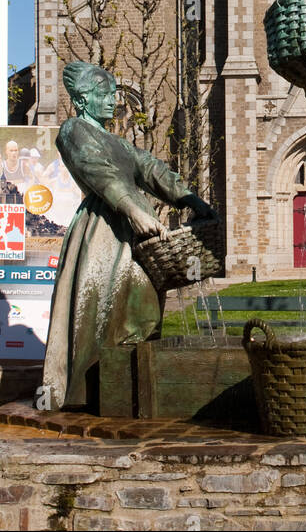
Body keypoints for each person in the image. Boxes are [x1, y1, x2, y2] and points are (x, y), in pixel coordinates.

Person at [42, 61, 217, 411]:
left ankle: (132, 391)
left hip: (138, 236)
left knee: (143, 310)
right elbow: (96, 171)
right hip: (103, 236)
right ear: (82, 99)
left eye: (112, 94)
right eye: (103, 95)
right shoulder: (73, 130)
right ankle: (88, 393)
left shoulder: (118, 141)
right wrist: (133, 209)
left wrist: (194, 202)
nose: (111, 101)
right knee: (99, 308)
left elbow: (152, 170)